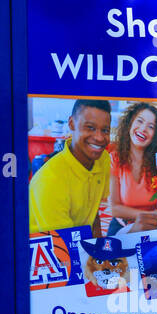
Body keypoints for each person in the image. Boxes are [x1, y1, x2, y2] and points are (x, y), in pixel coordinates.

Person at [28, 98, 112, 235]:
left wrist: (99, 249)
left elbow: (94, 213)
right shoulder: (50, 180)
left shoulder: (103, 159)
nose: (99, 138)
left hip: (76, 242)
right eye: (90, 127)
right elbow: (63, 246)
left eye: (105, 130)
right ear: (72, 124)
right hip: (45, 250)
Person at [106, 101, 157, 233]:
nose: (143, 129)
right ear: (130, 123)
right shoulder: (115, 159)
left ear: (156, 134)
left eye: (151, 127)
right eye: (140, 121)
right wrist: (148, 216)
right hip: (122, 227)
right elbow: (114, 208)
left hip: (155, 227)